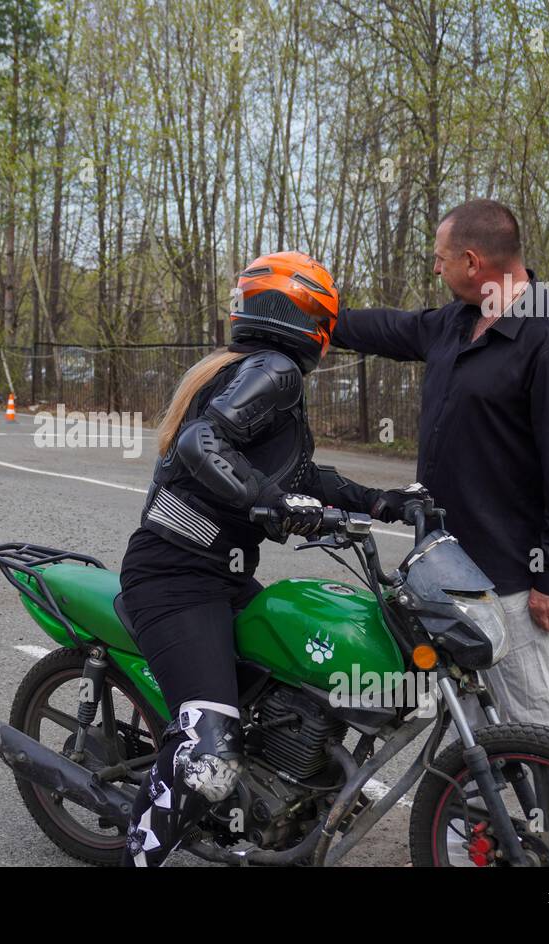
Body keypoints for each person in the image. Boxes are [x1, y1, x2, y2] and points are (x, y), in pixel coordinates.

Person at [119, 251, 426, 867]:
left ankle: (272, 804)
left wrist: (384, 502)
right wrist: (273, 502)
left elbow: (304, 473)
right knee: (209, 752)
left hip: (217, 575)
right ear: (293, 312)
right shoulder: (275, 369)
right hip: (176, 581)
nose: (325, 329)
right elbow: (200, 442)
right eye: (318, 312)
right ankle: (138, 852)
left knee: (288, 699)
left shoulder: (257, 370)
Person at [333, 198, 549, 857]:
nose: (434, 269)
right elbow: (391, 329)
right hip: (447, 567)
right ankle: (491, 842)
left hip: (514, 577)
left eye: (438, 258)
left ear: (472, 260)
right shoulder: (460, 321)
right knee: (480, 725)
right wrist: (312, 317)